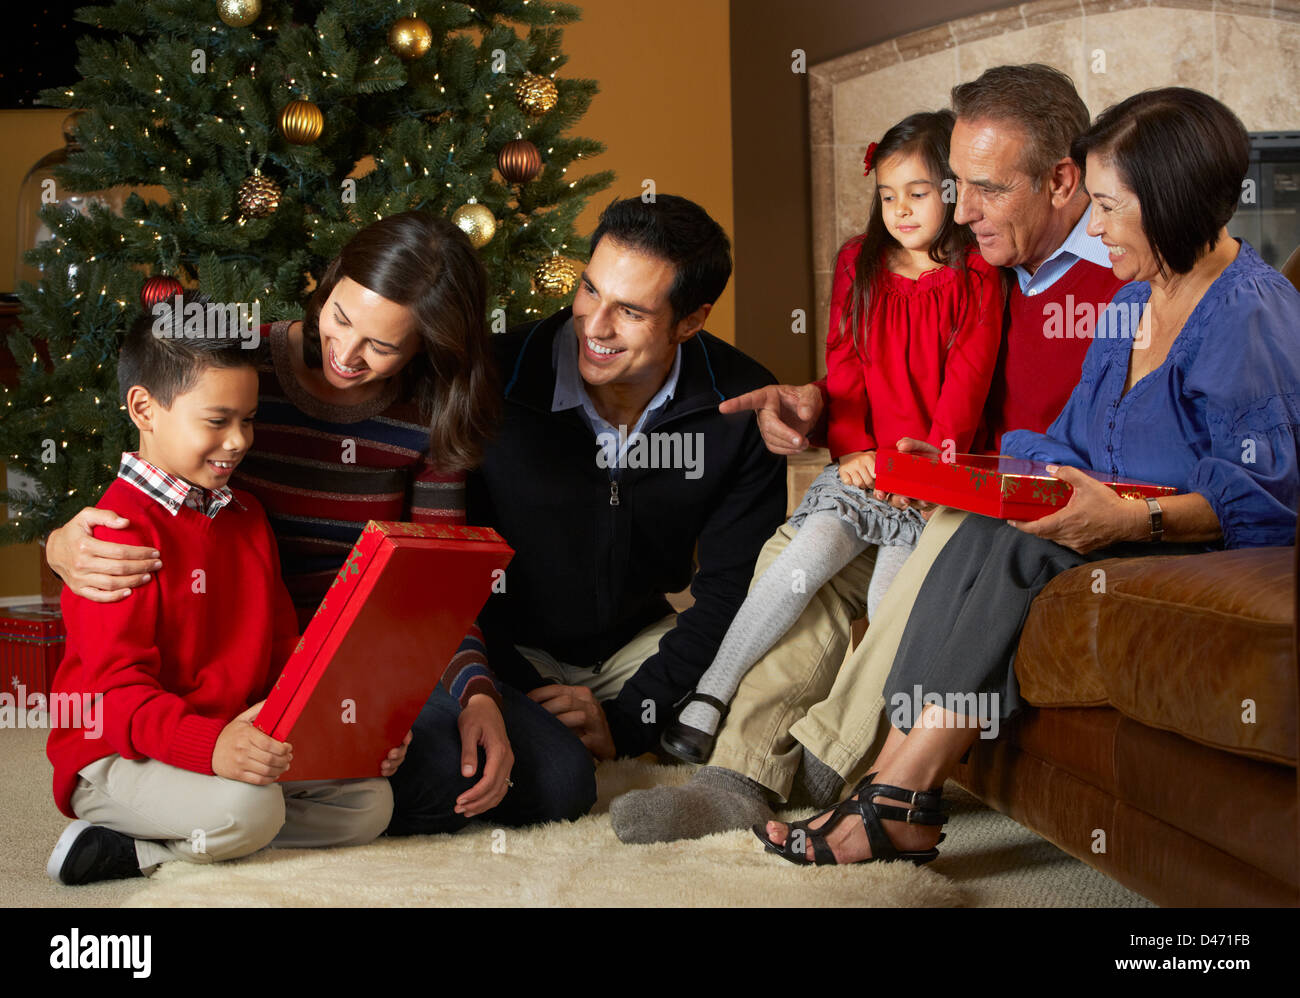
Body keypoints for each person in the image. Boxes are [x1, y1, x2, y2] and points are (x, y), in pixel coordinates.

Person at [757, 86, 1300, 865]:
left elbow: (1272, 499)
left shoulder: (1250, 314)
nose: (1098, 227)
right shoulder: (1132, 302)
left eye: (1110, 207)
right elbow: (1066, 438)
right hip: (1109, 520)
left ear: (1170, 203)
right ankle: (889, 777)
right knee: (981, 522)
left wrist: (1132, 521)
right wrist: (955, 467)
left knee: (1021, 548)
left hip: (1183, 539)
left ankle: (902, 796)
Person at [611, 64, 1128, 844]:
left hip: (990, 509)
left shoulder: (1120, 279)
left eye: (982, 188)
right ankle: (737, 773)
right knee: (805, 557)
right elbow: (893, 362)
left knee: (920, 566)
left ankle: (835, 765)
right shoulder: (984, 259)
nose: (959, 209)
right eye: (952, 183)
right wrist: (822, 405)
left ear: (1060, 181)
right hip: (914, 476)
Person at [43, 212, 598, 838]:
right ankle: (198, 821)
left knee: (555, 780)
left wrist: (476, 693)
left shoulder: (431, 411)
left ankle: (240, 815)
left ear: (426, 345)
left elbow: (434, 586)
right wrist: (62, 543)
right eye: (340, 317)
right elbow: (156, 434)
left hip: (355, 661)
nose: (346, 353)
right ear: (330, 285)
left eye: (382, 346)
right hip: (258, 670)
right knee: (414, 778)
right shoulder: (240, 360)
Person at [657, 111, 1004, 766]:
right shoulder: (859, 262)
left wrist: (927, 472)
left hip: (929, 486)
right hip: (863, 470)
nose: (901, 209)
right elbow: (844, 368)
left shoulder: (979, 273)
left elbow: (968, 382)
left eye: (919, 193)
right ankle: (709, 694)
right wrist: (852, 453)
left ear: (952, 192)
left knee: (888, 607)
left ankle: (837, 755)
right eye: (888, 195)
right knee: (802, 560)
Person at [46, 298, 394, 885]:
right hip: (119, 752)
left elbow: (286, 652)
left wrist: (349, 727)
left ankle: (184, 837)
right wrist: (211, 748)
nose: (237, 441)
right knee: (249, 810)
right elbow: (117, 697)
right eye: (217, 420)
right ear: (144, 409)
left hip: (223, 741)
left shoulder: (247, 516)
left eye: (249, 419)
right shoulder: (111, 536)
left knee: (368, 804)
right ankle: (138, 849)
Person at [454, 194, 787, 771]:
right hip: (507, 649)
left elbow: (733, 587)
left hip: (642, 647)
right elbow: (450, 565)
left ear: (691, 320)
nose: (596, 327)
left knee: (776, 686)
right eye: (589, 290)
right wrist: (514, 681)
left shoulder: (742, 402)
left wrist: (634, 716)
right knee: (540, 770)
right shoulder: (490, 378)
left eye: (631, 311)